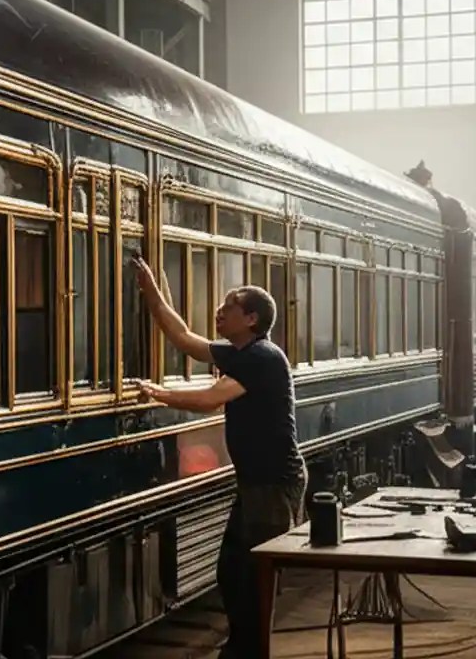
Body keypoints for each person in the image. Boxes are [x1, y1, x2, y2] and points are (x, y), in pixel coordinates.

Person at [130, 256, 307, 659]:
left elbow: (209, 401)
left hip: (272, 484)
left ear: (250, 318)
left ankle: (248, 650)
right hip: (256, 482)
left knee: (250, 575)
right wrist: (152, 292)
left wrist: (157, 392)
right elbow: (185, 339)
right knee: (232, 571)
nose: (219, 311)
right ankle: (242, 645)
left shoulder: (261, 358)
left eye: (228, 306)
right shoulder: (243, 352)